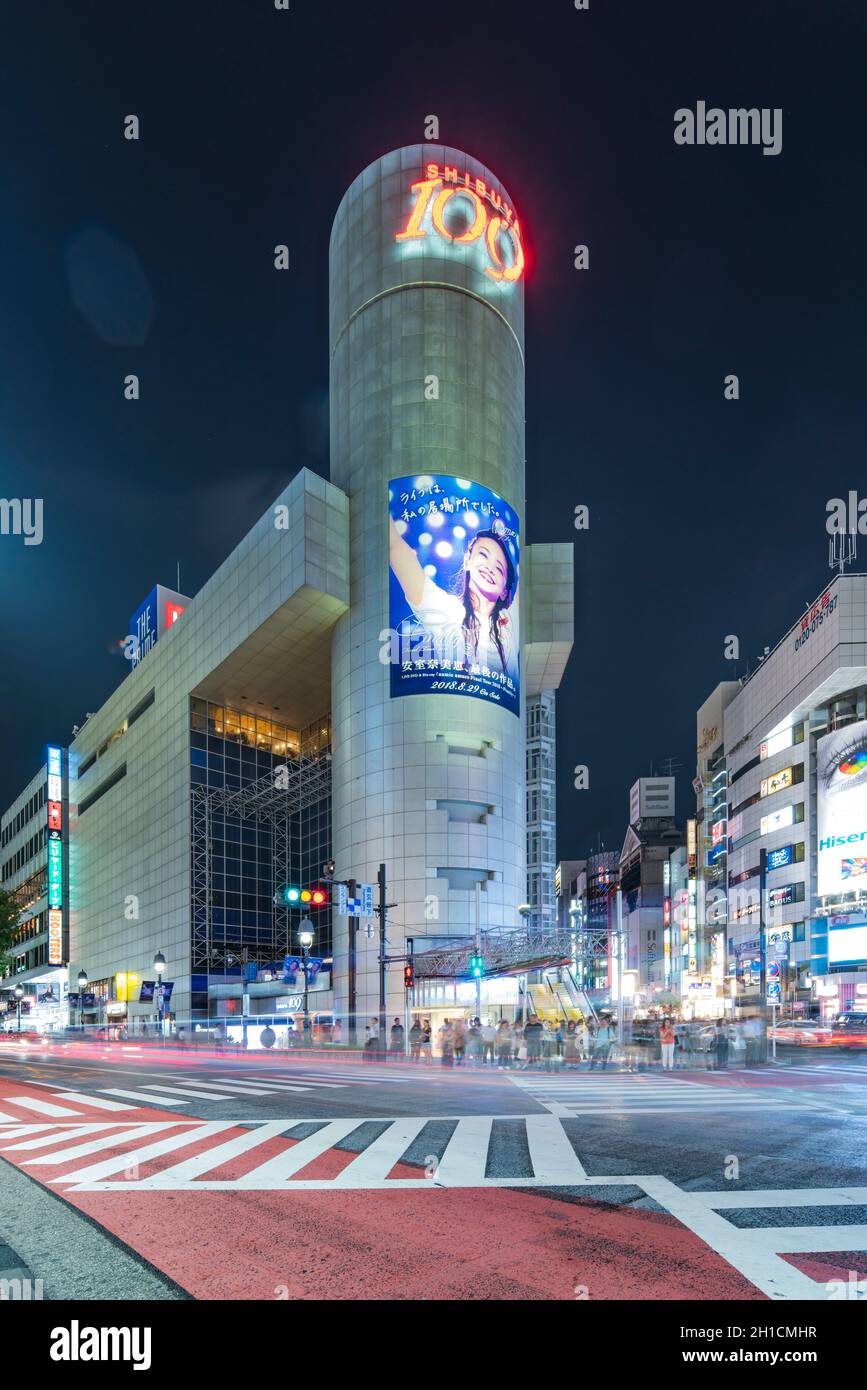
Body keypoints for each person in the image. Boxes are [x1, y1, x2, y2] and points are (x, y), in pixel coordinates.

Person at [389, 516, 519, 683]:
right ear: (467, 561)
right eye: (483, 555)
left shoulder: (510, 624)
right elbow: (396, 549)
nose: (490, 567)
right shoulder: (447, 610)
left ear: (504, 591)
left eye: (500, 569)